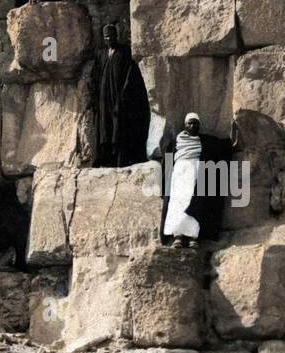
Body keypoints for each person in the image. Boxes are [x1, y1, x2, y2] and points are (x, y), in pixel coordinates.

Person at [161, 113, 238, 248]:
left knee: (195, 202)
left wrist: (234, 132)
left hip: (196, 174)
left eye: (195, 123)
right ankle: (177, 235)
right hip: (179, 174)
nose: (192, 126)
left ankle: (193, 237)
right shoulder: (175, 142)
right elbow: (167, 162)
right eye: (190, 123)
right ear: (185, 125)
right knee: (177, 204)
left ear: (199, 125)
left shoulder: (205, 141)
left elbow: (224, 146)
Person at [95, 23, 150, 167]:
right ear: (103, 38)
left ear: (116, 36)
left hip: (120, 98)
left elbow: (130, 74)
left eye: (111, 36)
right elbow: (97, 75)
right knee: (105, 128)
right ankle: (106, 160)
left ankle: (121, 160)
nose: (109, 39)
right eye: (106, 37)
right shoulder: (101, 55)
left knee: (119, 128)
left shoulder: (125, 52)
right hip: (105, 99)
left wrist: (124, 94)